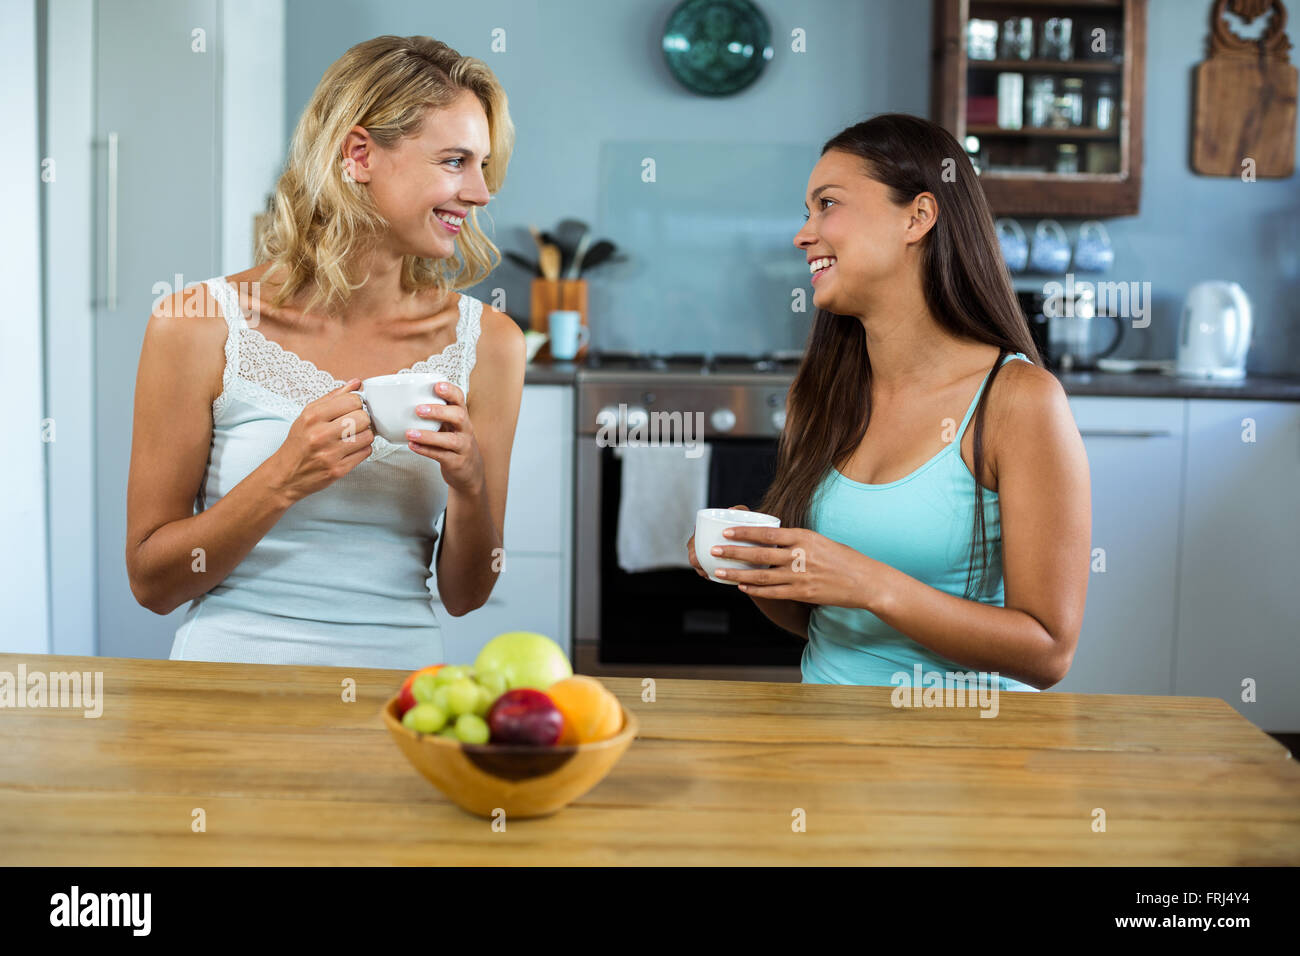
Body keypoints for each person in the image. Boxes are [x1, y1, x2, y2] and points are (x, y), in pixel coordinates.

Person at [126, 35, 525, 668]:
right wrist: (284, 477)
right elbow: (153, 583)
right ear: (360, 153)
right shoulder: (195, 323)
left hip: (402, 693)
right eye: (455, 162)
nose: (479, 193)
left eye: (481, 166)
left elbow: (467, 595)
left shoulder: (492, 345)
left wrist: (470, 483)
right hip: (224, 685)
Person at [687, 113, 1089, 691]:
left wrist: (868, 582)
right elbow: (817, 623)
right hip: (827, 739)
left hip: (967, 754)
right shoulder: (822, 395)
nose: (803, 235)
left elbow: (1047, 652)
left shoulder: (1019, 402)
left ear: (918, 216)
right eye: (807, 212)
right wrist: (762, 567)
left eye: (827, 204)